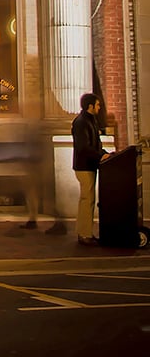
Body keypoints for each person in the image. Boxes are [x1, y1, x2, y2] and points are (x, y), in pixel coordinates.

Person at [71, 92, 110, 245]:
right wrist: (100, 156)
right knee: (87, 199)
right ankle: (84, 234)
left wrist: (105, 154)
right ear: (90, 106)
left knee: (87, 199)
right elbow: (83, 147)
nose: (100, 108)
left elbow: (95, 144)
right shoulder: (81, 122)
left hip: (89, 165)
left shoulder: (90, 121)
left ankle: (84, 232)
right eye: (98, 105)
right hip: (84, 166)